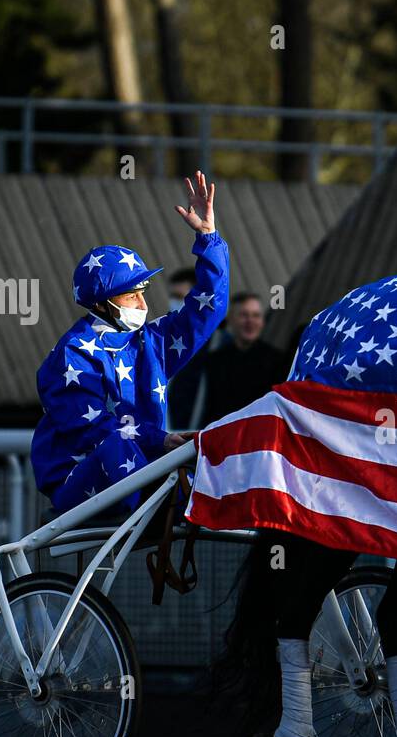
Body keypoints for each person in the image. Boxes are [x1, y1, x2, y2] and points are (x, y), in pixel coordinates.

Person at [31, 171, 229, 512]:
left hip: (141, 468)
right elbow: (95, 431)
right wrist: (162, 441)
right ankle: (178, 501)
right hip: (79, 479)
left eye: (142, 292)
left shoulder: (150, 341)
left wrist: (209, 239)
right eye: (130, 295)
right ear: (100, 303)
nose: (142, 304)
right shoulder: (70, 356)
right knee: (117, 446)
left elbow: (207, 309)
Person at [167, 290, 287, 430]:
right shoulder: (213, 362)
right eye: (244, 315)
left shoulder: (278, 361)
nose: (250, 321)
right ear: (230, 320)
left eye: (256, 315)